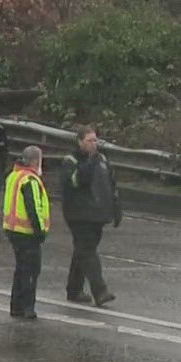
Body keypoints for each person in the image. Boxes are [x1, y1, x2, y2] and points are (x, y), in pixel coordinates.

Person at [60, 125, 120, 307]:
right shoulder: (71, 161)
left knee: (82, 252)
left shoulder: (102, 159)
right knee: (88, 252)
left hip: (98, 215)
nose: (94, 144)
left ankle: (74, 289)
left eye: (96, 140)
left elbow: (111, 184)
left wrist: (116, 208)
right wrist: (89, 163)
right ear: (80, 142)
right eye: (89, 140)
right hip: (79, 215)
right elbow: (76, 182)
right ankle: (100, 290)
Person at [3, 145, 51, 319]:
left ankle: (16, 306)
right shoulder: (30, 180)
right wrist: (40, 231)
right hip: (27, 233)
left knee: (21, 269)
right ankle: (27, 308)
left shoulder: (14, 176)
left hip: (13, 230)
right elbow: (34, 209)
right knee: (30, 271)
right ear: (35, 161)